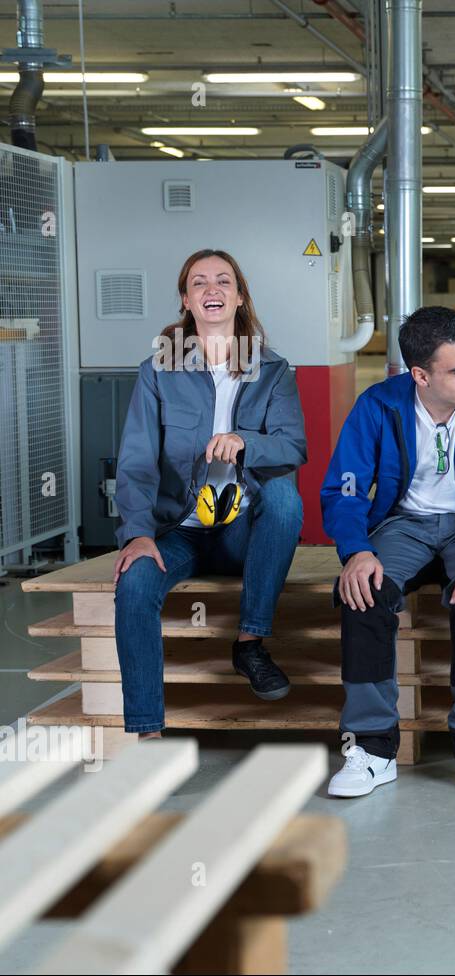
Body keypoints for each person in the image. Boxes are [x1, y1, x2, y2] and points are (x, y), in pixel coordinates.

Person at [321, 306, 455, 800]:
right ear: (420, 375)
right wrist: (356, 551)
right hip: (404, 524)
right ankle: (372, 750)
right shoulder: (378, 406)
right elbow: (344, 491)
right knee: (364, 594)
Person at [113, 248, 307, 737]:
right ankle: (147, 732)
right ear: (186, 300)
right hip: (176, 529)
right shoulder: (158, 369)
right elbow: (136, 458)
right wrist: (137, 533)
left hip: (238, 529)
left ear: (240, 297)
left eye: (223, 281)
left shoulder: (273, 369)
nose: (212, 289)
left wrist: (245, 443)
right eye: (199, 283)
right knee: (134, 584)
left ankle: (249, 644)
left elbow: (293, 446)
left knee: (284, 498)